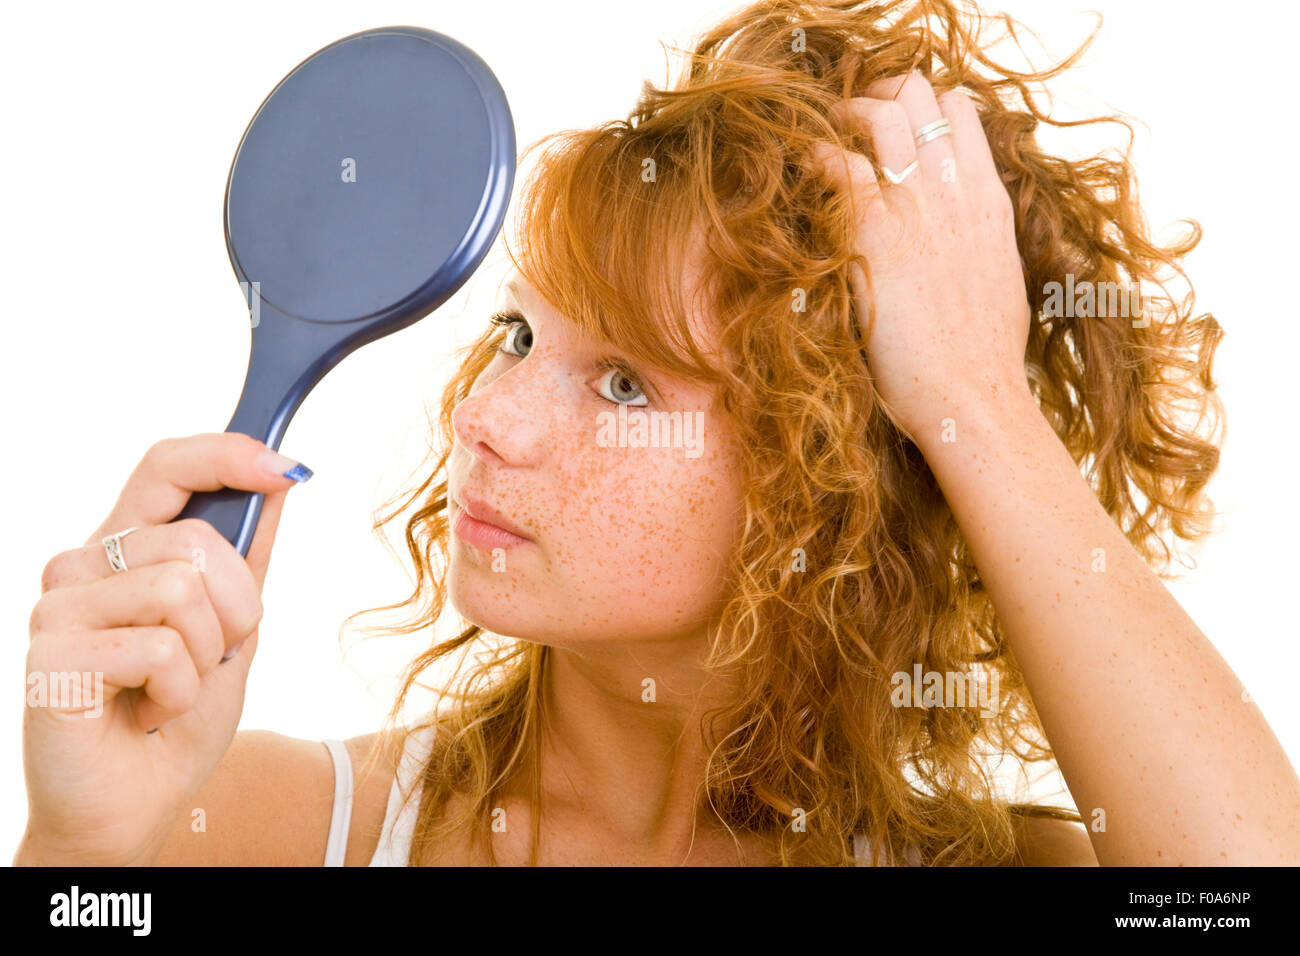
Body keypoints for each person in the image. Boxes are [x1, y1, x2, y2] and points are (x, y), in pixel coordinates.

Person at [17, 0, 1299, 866]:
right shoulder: (295, 831)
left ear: (823, 486)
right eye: (522, 338)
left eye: (625, 384)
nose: (486, 416)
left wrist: (975, 404)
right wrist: (79, 846)